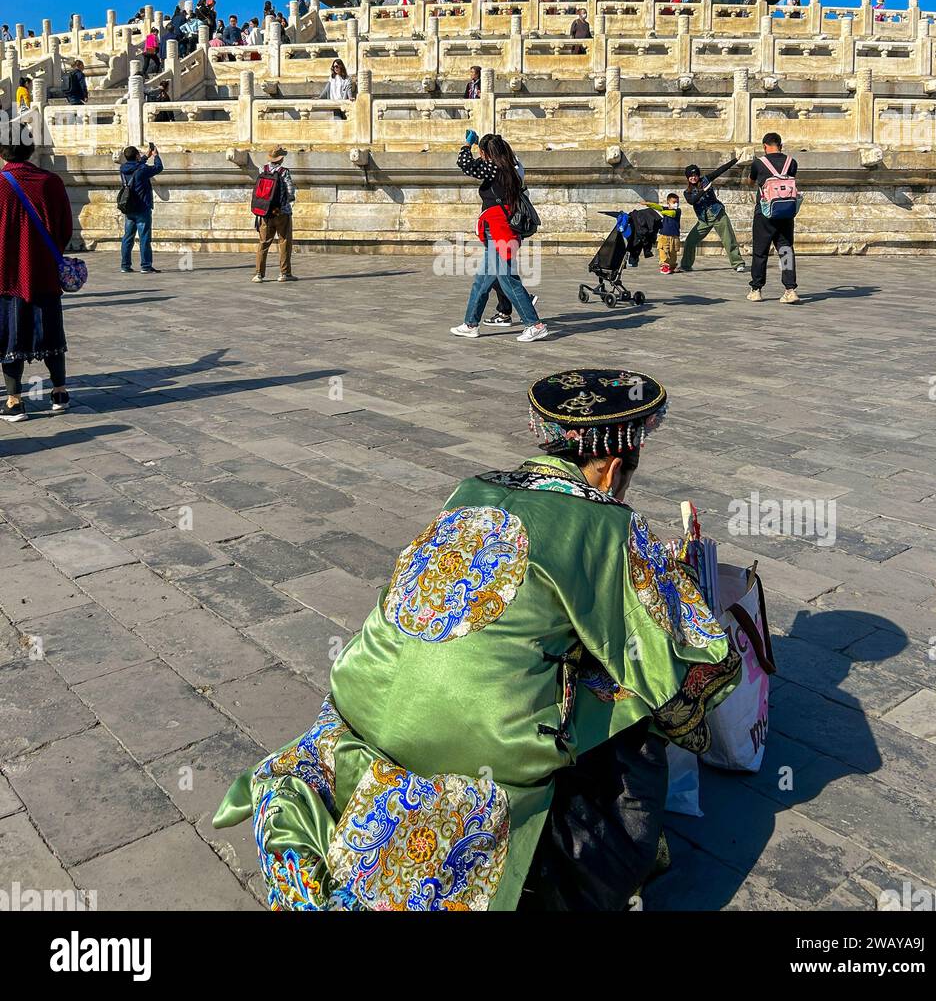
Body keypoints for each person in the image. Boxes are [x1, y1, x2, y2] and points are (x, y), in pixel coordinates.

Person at [213, 368, 741, 911]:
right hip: (476, 741)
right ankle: (582, 875)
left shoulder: (472, 489)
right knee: (638, 696)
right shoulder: (609, 523)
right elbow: (685, 659)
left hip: (358, 701)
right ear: (609, 471)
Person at [0, 126, 74, 421]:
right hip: (44, 273)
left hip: (6, 277)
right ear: (31, 149)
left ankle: (15, 401)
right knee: (52, 332)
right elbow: (65, 228)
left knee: (9, 337)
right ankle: (59, 392)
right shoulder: (51, 182)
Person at [451, 131, 548, 342]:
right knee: (482, 281)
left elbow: (465, 164)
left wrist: (467, 144)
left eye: (483, 152)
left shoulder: (495, 168)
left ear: (488, 153)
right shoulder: (512, 167)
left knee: (507, 280)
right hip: (499, 229)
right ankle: (470, 324)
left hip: (500, 230)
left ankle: (535, 324)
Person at [747, 132, 800, 305]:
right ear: (780, 145)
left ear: (764, 146)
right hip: (785, 213)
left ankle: (756, 289)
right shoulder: (791, 162)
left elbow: (751, 181)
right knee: (785, 249)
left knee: (760, 251)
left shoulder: (758, 163)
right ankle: (790, 289)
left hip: (765, 213)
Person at [679, 156, 747, 273]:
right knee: (690, 240)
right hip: (704, 219)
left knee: (728, 239)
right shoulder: (687, 192)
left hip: (718, 214)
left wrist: (736, 160)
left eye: (695, 175)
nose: (693, 178)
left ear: (698, 175)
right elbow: (692, 201)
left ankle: (738, 263)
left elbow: (721, 170)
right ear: (687, 178)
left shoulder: (706, 180)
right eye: (690, 176)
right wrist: (703, 190)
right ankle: (686, 265)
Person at [253, 146, 297, 284]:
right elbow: (290, 191)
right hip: (281, 211)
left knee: (264, 242)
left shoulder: (262, 170)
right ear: (281, 159)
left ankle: (259, 274)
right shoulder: (284, 172)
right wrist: (288, 200)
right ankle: (285, 273)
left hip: (265, 211)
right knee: (284, 241)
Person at [119, 144, 163, 274]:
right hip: (142, 207)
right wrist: (156, 156)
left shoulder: (122, 169)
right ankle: (146, 265)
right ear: (136, 155)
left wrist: (145, 157)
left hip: (129, 207)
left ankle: (125, 265)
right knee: (144, 238)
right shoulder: (142, 169)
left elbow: (136, 166)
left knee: (128, 237)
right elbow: (158, 168)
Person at [645, 192, 682, 274]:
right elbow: (657, 207)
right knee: (663, 252)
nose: (676, 204)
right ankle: (664, 266)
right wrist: (649, 204)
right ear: (668, 202)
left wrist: (663, 212)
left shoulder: (677, 211)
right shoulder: (665, 208)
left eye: (677, 202)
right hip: (664, 236)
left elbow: (671, 213)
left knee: (673, 253)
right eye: (674, 202)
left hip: (674, 236)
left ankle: (672, 266)